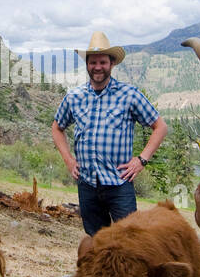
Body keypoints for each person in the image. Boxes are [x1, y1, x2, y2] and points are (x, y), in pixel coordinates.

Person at [51, 31, 168, 236]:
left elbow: (160, 127)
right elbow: (57, 128)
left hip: (119, 184)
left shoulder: (129, 95)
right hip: (87, 183)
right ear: (87, 64)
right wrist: (69, 160)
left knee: (130, 240)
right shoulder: (74, 97)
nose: (97, 67)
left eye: (102, 62)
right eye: (93, 62)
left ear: (111, 63)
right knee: (96, 241)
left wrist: (141, 160)